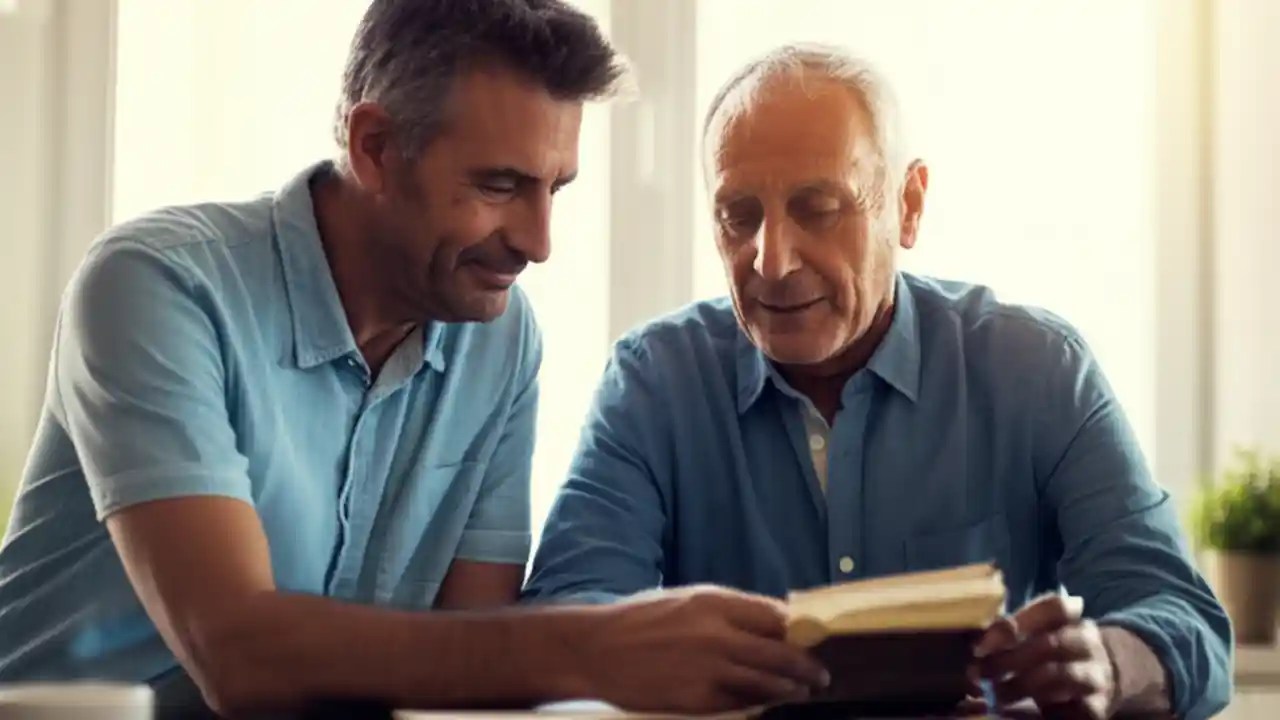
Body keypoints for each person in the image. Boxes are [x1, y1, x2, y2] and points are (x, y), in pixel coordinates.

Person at [0, 3, 830, 716]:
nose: (539, 243)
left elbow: (469, 664)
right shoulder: (160, 286)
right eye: (501, 186)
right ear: (373, 147)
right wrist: (597, 645)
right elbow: (237, 655)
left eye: (556, 189)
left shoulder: (500, 338)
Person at [525, 45, 1233, 720]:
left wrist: (1108, 664)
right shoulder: (654, 382)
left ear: (909, 205)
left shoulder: (1036, 368)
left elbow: (1188, 623)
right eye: (739, 215)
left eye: (818, 207)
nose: (770, 261)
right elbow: (563, 625)